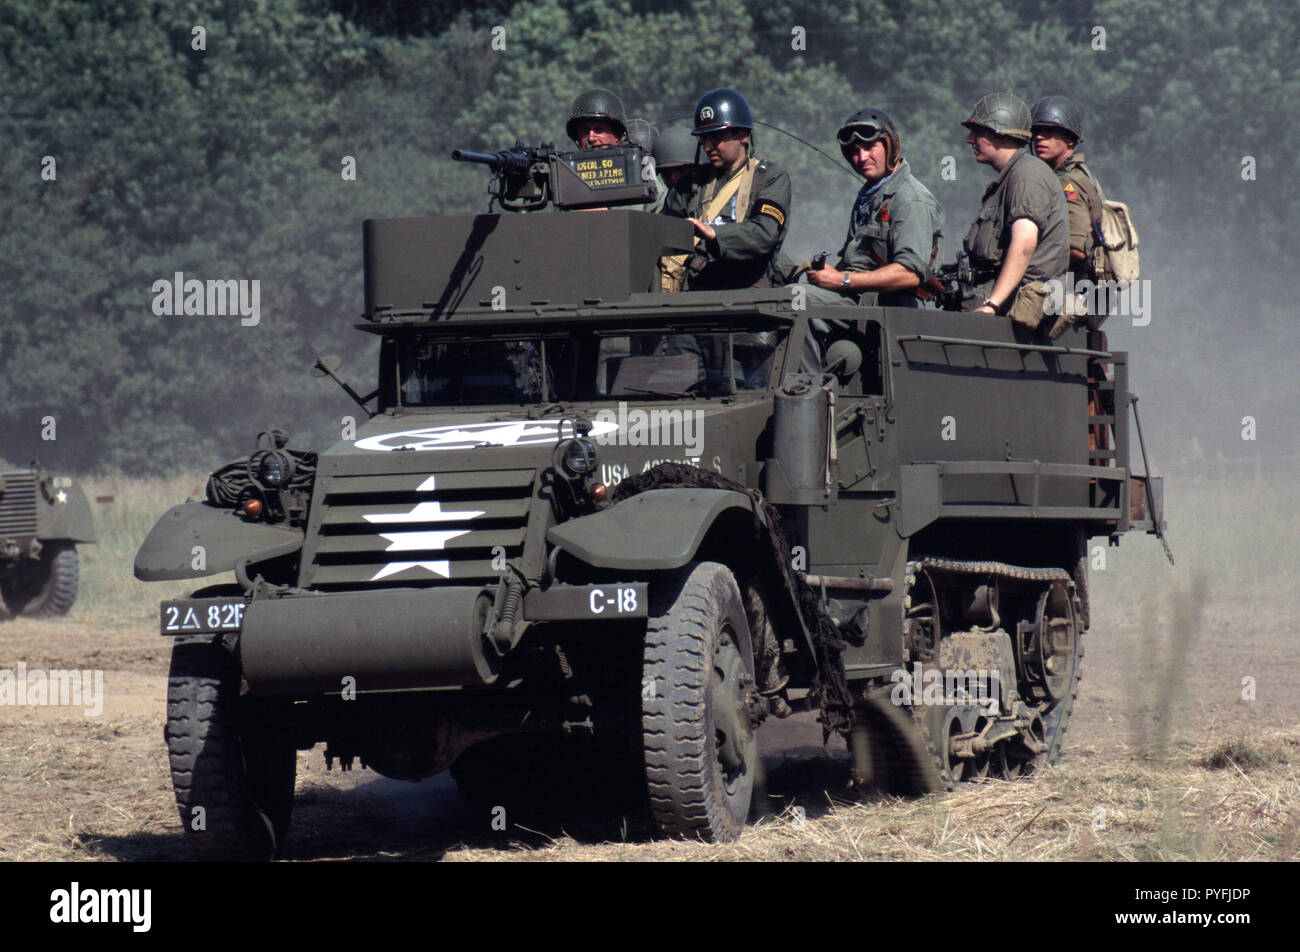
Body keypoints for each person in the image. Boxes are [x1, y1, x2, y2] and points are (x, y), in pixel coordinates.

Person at [803, 108, 944, 307]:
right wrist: (828, 276)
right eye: (854, 151)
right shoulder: (870, 196)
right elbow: (854, 260)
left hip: (892, 306)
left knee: (795, 299)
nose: (861, 158)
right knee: (788, 294)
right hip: (860, 298)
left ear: (891, 146)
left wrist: (841, 281)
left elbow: (909, 274)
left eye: (870, 147)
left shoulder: (911, 199)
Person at [660, 87, 792, 292]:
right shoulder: (690, 183)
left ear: (743, 134)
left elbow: (764, 233)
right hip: (695, 289)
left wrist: (714, 234)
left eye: (716, 137)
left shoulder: (770, 178)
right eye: (703, 138)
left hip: (747, 291)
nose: (707, 146)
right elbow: (663, 231)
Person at [960, 92, 1068, 328]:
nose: (970, 139)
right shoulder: (1013, 176)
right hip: (1002, 312)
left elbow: (1024, 244)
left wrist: (992, 305)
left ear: (999, 133)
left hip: (1011, 315)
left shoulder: (1026, 176)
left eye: (978, 132)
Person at [1031, 95, 1104, 286]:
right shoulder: (1067, 176)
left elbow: (1075, 249)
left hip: (1071, 289)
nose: (1039, 137)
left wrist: (1022, 262)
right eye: (1036, 131)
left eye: (1049, 132)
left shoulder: (1068, 182)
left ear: (1070, 140)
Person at [647, 123, 697, 214]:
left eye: (680, 170)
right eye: (665, 172)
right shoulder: (663, 205)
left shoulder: (710, 199)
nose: (672, 177)